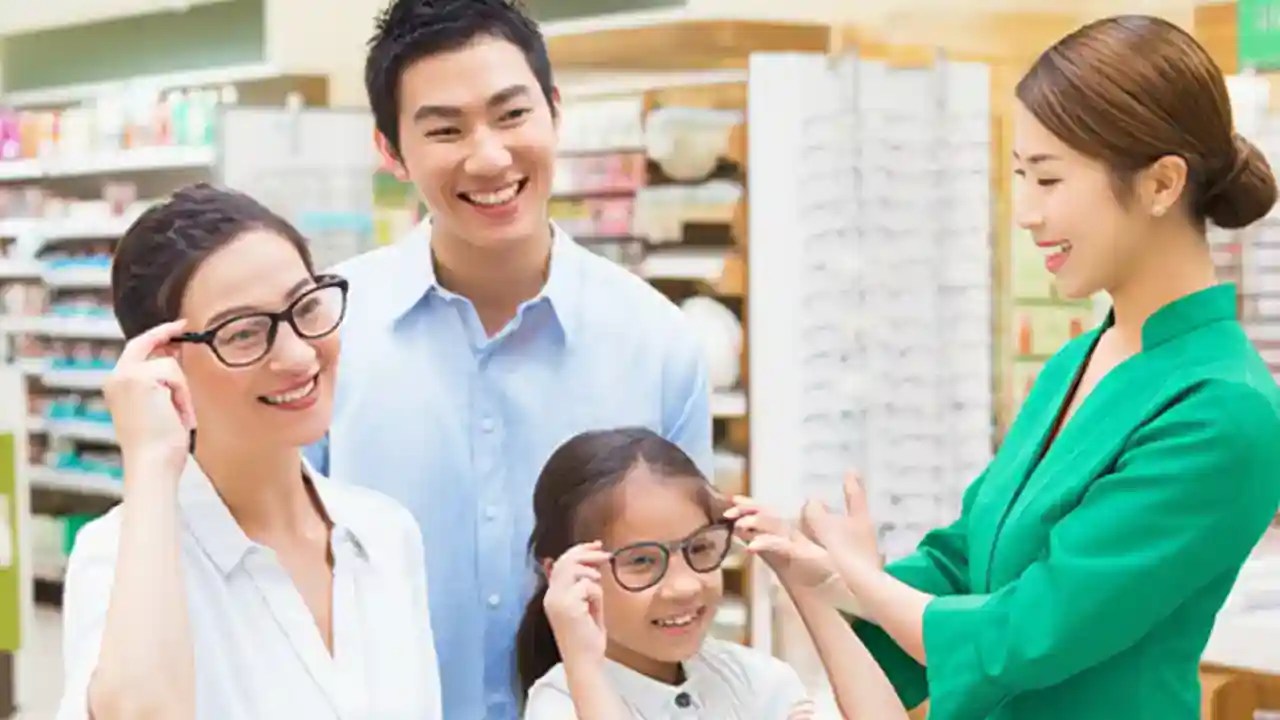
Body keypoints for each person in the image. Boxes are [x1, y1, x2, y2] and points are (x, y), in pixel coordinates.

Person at [790, 15, 1280, 720]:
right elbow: (969, 559)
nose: (1024, 212)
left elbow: (1026, 632)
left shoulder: (1223, 410)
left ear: (1161, 183)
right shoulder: (1079, 359)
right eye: (1020, 175)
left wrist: (861, 582)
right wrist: (823, 572)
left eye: (1049, 178)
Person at [305, 1, 714, 717]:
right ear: (391, 150)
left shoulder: (657, 342)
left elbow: (682, 592)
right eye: (445, 129)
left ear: (555, 111)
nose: (490, 156)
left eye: (512, 114)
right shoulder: (324, 334)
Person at [56, 184, 443, 720]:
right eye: (243, 333)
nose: (298, 354)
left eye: (307, 306)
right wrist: (149, 461)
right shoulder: (121, 556)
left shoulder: (385, 534)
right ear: (164, 361)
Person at [516, 427, 909, 720]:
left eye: (699, 548)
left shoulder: (753, 680)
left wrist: (808, 587)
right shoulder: (564, 701)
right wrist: (582, 663)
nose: (684, 585)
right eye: (641, 561)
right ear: (566, 575)